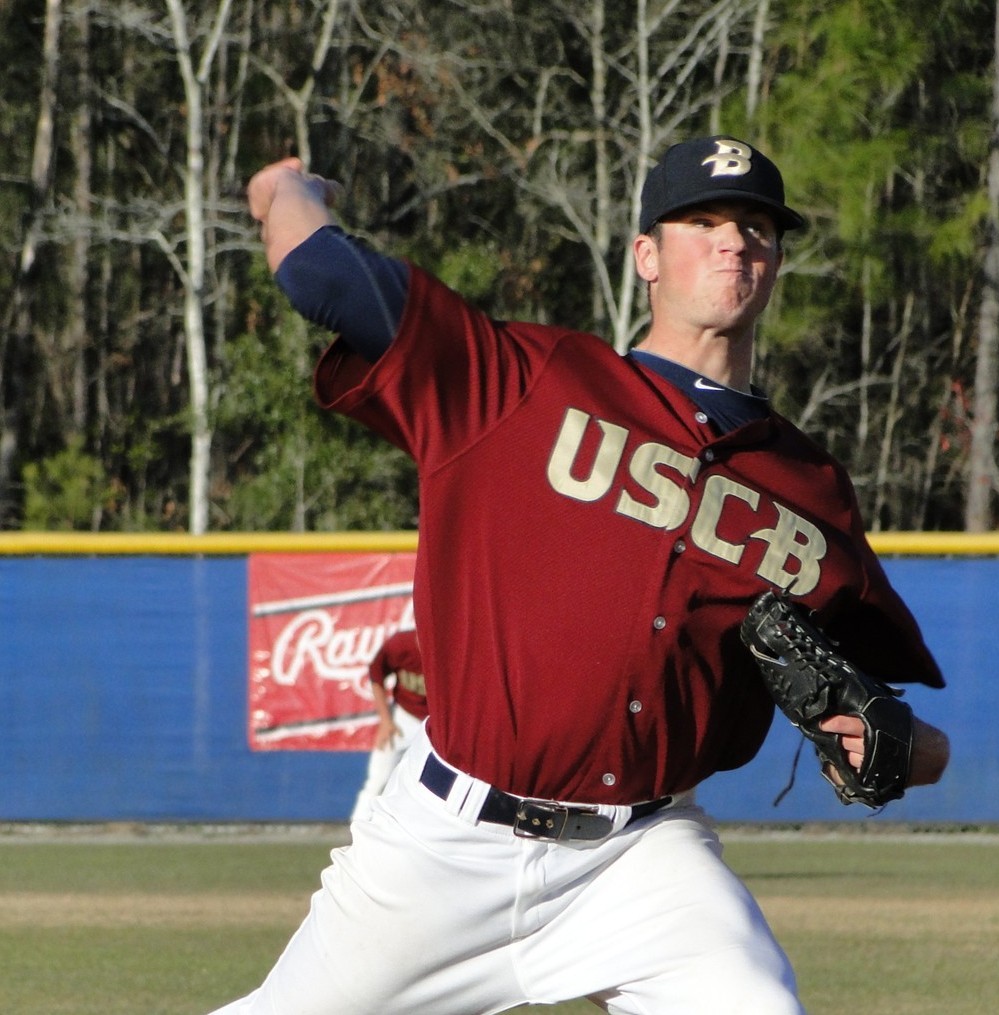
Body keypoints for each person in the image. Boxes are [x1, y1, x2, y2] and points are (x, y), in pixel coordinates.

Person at [226, 134, 951, 1014]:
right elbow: (319, 274)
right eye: (703, 221)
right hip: (443, 849)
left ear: (776, 260)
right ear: (646, 254)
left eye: (757, 227)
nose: (734, 242)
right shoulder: (525, 381)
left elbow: (903, 738)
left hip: (641, 860)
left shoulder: (809, 491)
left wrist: (888, 746)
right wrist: (286, 187)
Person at [349, 627, 428, 824]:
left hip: (435, 725)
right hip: (403, 719)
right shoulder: (402, 644)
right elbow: (376, 674)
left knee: (429, 791)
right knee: (377, 780)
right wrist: (385, 720)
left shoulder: (453, 649)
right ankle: (357, 835)